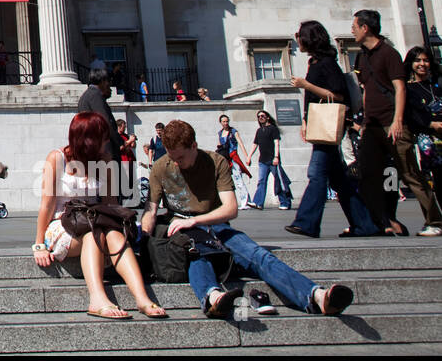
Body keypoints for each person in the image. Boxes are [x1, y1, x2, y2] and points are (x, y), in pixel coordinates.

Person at [142, 119, 354, 319]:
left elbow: (231, 208)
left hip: (215, 225)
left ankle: (316, 296)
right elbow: (151, 211)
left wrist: (195, 221)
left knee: (257, 254)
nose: (176, 163)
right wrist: (143, 241)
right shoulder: (161, 167)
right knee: (197, 255)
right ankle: (213, 298)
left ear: (194, 146)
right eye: (172, 158)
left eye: (181, 158)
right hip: (182, 231)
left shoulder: (216, 162)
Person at [33, 112, 166, 320]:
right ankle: (97, 298)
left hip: (94, 221)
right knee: (94, 234)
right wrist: (39, 243)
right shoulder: (56, 158)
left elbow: (110, 205)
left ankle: (142, 298)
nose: (107, 141)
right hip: (62, 224)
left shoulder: (104, 160)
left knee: (113, 235)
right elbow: (47, 205)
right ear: (89, 140)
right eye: (103, 137)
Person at [287, 19, 379, 238]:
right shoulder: (315, 62)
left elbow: (338, 96)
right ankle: (365, 225)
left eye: (300, 34)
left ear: (309, 38)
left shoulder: (327, 63)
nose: (297, 39)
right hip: (319, 125)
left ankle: (307, 222)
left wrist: (306, 84)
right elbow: (311, 99)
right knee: (340, 180)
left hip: (329, 126)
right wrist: (305, 121)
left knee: (316, 174)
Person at [351, 9, 410, 236]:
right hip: (372, 124)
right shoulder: (362, 56)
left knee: (396, 173)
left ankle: (394, 217)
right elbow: (365, 91)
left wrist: (397, 120)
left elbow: (400, 88)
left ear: (365, 28)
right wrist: (364, 120)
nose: (352, 30)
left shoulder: (389, 53)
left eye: (355, 26)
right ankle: (381, 220)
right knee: (366, 173)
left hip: (389, 122)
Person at [400, 46, 442, 235]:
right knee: (428, 182)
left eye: (425, 60)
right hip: (425, 141)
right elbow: (413, 115)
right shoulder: (408, 89)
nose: (422, 64)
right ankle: (434, 221)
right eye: (418, 61)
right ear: (411, 64)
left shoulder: (437, 85)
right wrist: (432, 124)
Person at [245, 110, 292, 209]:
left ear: (268, 117)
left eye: (262, 116)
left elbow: (276, 143)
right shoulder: (259, 130)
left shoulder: (273, 129)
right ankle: (258, 203)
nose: (260, 118)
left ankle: (285, 203)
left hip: (273, 160)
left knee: (279, 181)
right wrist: (249, 156)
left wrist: (276, 157)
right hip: (263, 161)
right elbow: (255, 144)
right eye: (259, 116)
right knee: (261, 181)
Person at [77, 67, 123, 166]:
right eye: (108, 81)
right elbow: (106, 122)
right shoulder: (95, 95)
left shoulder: (88, 95)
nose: (109, 85)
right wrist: (120, 142)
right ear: (102, 81)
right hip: (104, 152)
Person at [216, 114, 252, 205]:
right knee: (228, 181)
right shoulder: (220, 133)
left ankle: (245, 201)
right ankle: (243, 201)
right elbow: (219, 146)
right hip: (225, 158)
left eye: (227, 121)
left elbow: (240, 143)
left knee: (238, 179)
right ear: (220, 122)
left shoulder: (233, 131)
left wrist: (247, 156)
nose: (225, 123)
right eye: (223, 122)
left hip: (233, 157)